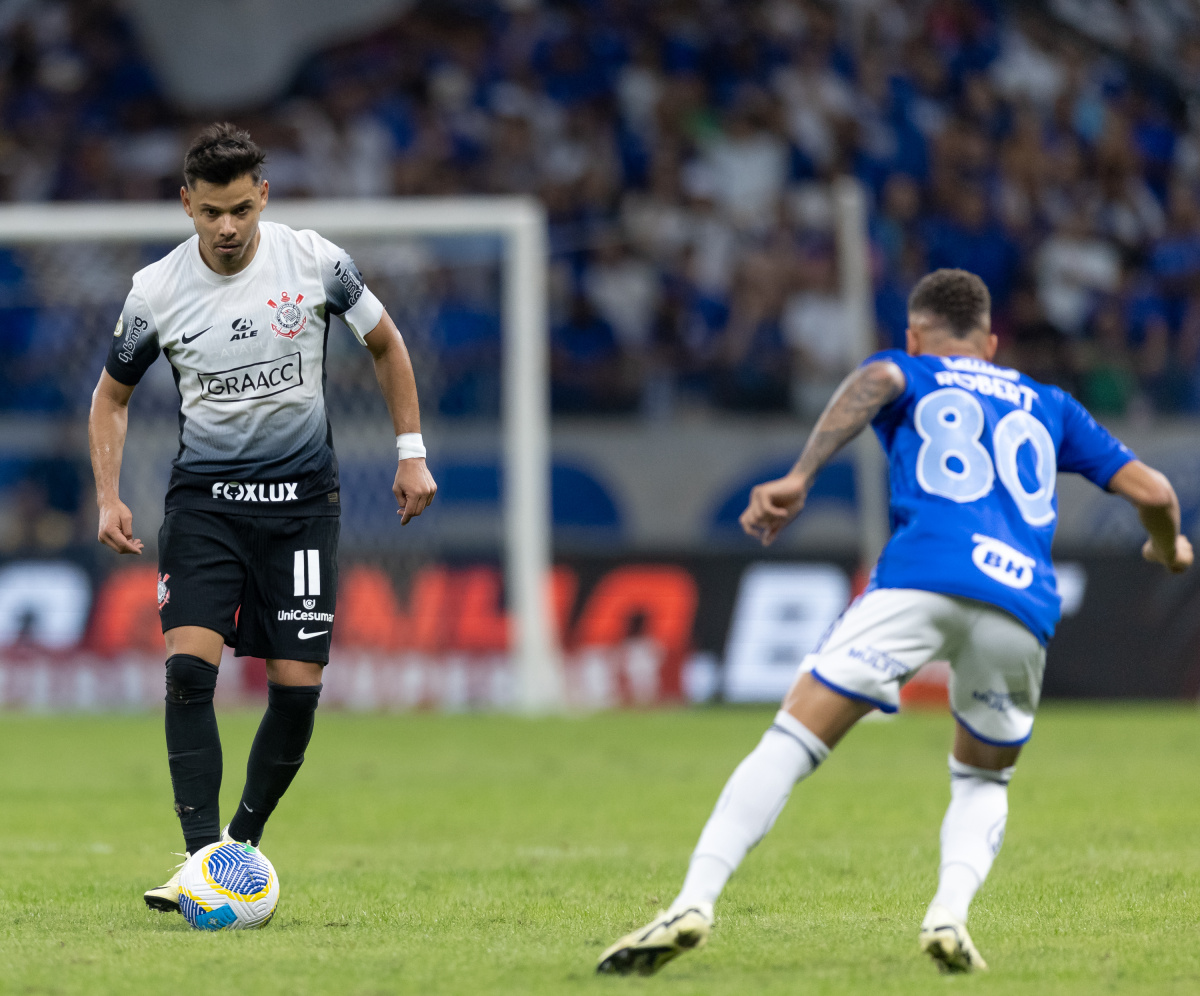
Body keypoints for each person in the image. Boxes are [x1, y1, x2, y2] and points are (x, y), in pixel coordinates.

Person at [597, 268, 1192, 976]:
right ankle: (948, 915)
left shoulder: (905, 367)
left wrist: (801, 476)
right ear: (992, 341)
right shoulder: (1050, 403)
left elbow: (877, 382)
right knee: (983, 780)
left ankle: (694, 900)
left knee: (790, 741)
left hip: (924, 575)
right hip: (1021, 601)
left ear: (915, 336)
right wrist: (1166, 544)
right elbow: (1154, 490)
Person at [87, 123, 437, 913]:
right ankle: (201, 857)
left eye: (242, 208)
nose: (228, 227)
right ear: (186, 204)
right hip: (206, 505)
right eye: (211, 211)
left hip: (302, 508)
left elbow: (387, 344)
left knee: (297, 688)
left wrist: (410, 451)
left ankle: (238, 849)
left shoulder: (315, 261)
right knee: (187, 674)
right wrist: (109, 495)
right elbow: (111, 397)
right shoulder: (155, 292)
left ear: (263, 197)